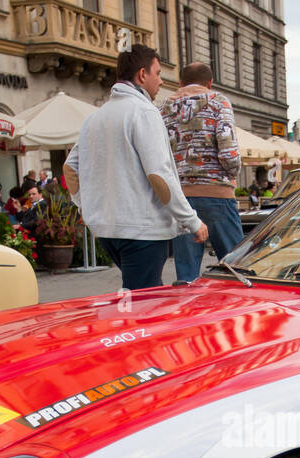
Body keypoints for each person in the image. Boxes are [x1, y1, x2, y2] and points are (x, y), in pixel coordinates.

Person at [63, 44, 206, 290]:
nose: (161, 81)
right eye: (158, 73)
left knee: (142, 296)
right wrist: (192, 221)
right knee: (144, 307)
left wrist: (86, 208)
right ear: (142, 75)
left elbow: (70, 169)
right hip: (142, 229)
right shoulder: (143, 112)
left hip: (108, 228)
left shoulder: (95, 117)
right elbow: (159, 175)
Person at [161, 61, 243, 283]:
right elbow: (228, 153)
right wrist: (233, 172)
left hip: (181, 197)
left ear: (180, 83)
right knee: (235, 267)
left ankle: (189, 313)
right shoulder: (218, 102)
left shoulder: (164, 107)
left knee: (186, 272)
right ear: (210, 83)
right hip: (217, 193)